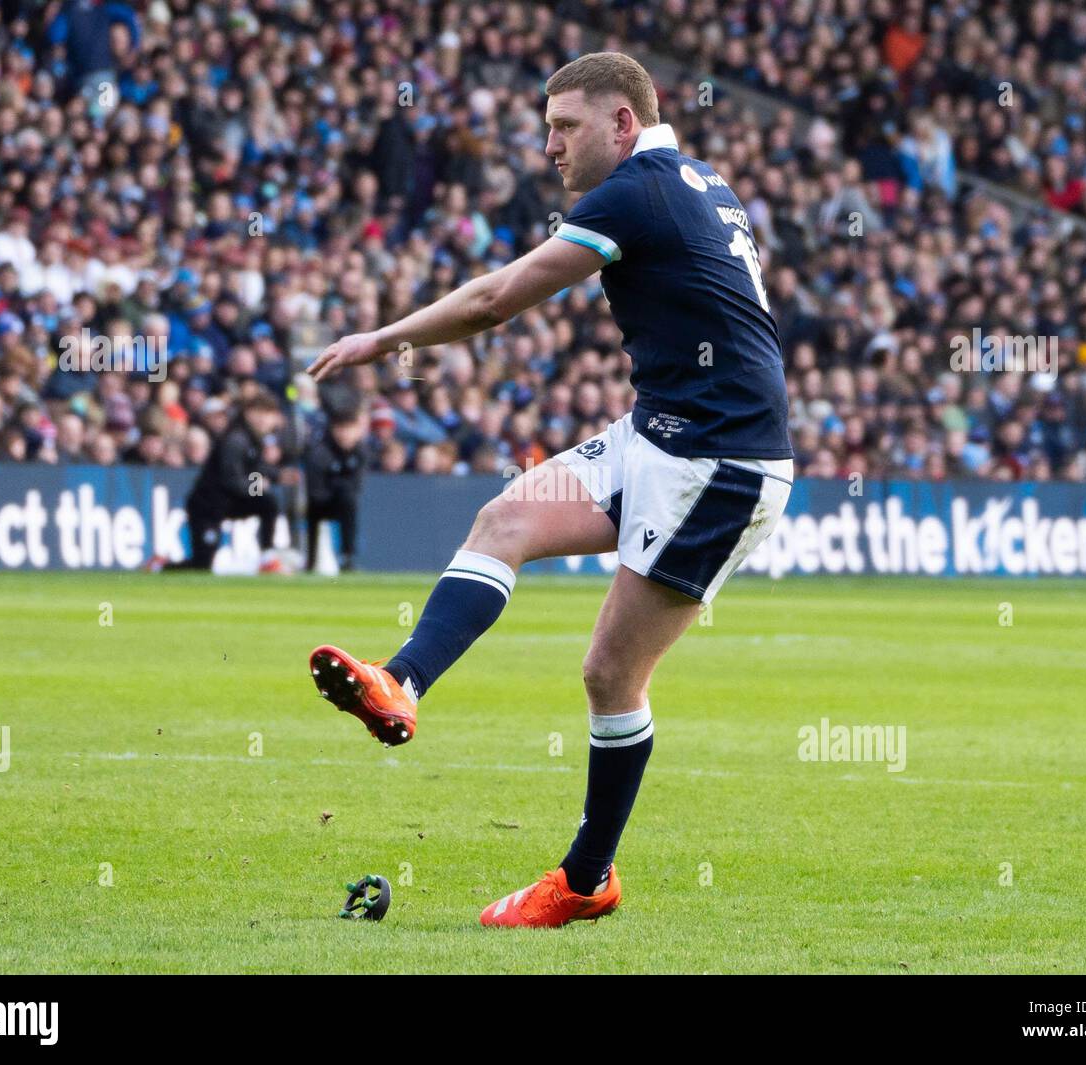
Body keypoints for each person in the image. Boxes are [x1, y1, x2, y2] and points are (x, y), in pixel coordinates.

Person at [305, 53, 794, 928]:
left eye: (565, 126)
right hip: (659, 429)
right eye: (546, 124)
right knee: (504, 518)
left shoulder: (640, 187)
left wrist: (380, 339)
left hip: (722, 460)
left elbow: (498, 300)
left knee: (611, 671)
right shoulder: (693, 178)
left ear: (621, 123)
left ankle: (585, 877)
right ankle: (402, 681)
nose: (548, 145)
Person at [157, 393, 288, 572]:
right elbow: (231, 479)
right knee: (201, 566)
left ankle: (267, 559)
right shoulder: (236, 439)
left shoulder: (253, 439)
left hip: (228, 503)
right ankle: (159, 566)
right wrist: (259, 485)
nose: (266, 420)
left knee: (267, 503)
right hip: (207, 506)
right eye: (261, 413)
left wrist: (278, 475)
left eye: (270, 414)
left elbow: (255, 469)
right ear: (249, 413)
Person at [303, 411, 366, 572]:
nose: (345, 434)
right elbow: (315, 491)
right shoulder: (321, 452)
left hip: (344, 502)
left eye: (349, 429)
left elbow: (357, 484)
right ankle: (311, 561)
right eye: (341, 429)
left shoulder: (360, 452)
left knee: (349, 500)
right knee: (315, 510)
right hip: (320, 503)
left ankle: (347, 556)